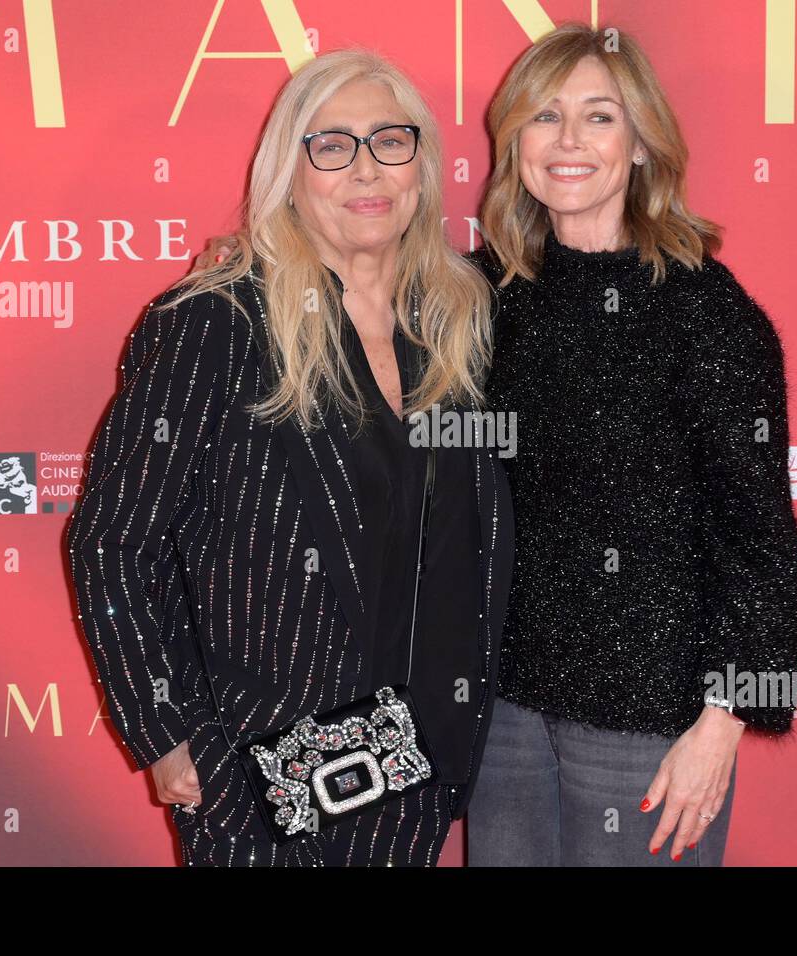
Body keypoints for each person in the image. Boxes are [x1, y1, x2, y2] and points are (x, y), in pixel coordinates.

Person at [67, 47, 513, 866]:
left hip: (420, 751)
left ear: (422, 166)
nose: (366, 169)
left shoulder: (461, 316)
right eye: (332, 145)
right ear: (290, 171)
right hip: (261, 761)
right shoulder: (216, 319)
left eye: (391, 141)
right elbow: (113, 539)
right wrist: (164, 730)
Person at [465, 22, 797, 866]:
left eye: (599, 116)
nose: (568, 141)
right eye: (545, 116)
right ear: (515, 142)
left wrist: (723, 726)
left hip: (651, 717)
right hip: (502, 709)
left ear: (642, 143)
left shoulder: (705, 311)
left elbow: (759, 537)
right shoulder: (481, 298)